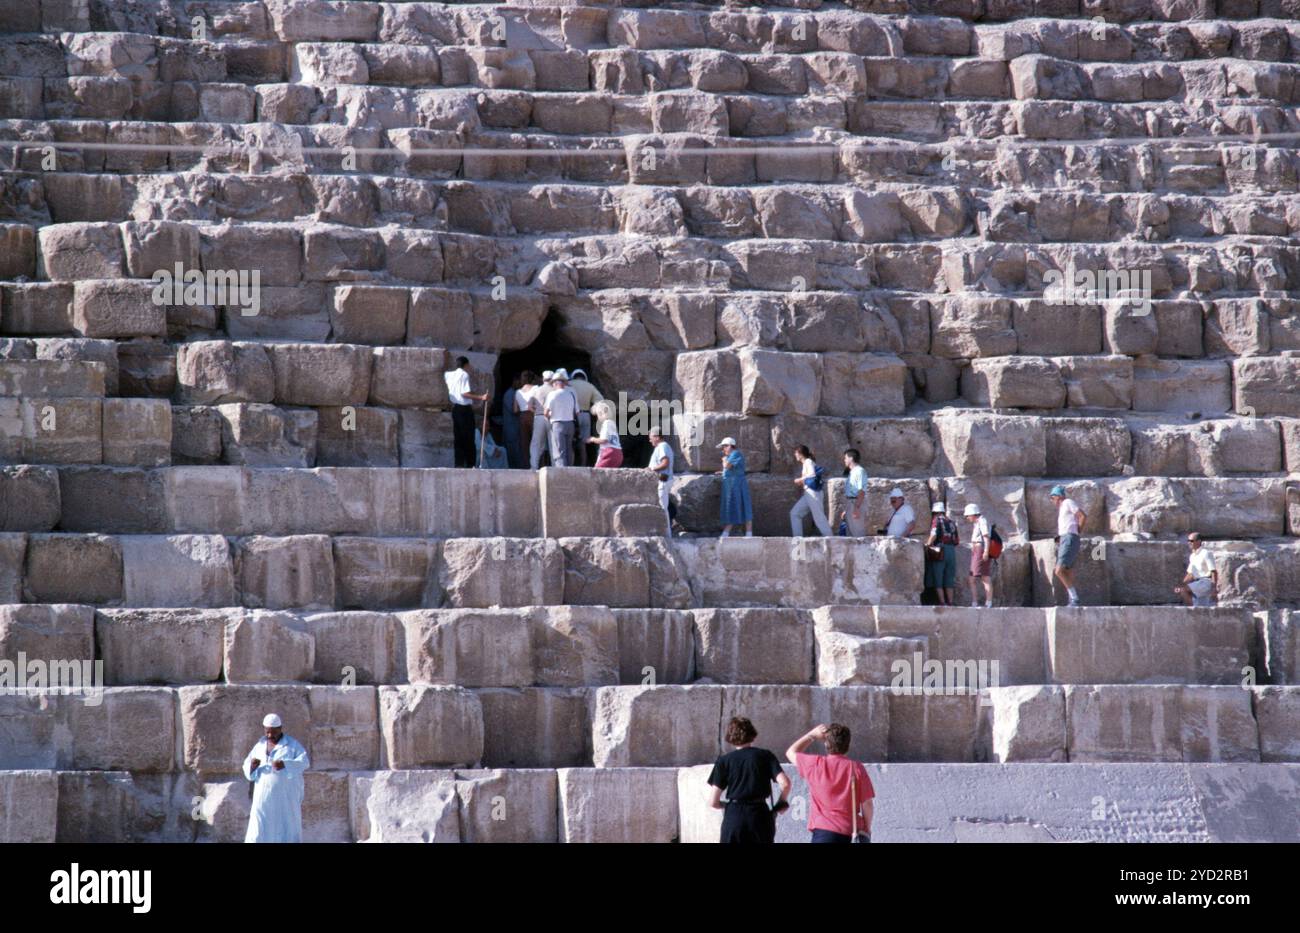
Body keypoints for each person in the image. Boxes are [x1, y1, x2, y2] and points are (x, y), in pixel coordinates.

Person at [707, 717, 792, 844]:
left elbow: (713, 802)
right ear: (752, 734)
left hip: (734, 817)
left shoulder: (724, 761)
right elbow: (785, 784)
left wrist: (728, 805)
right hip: (759, 815)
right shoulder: (765, 756)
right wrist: (781, 803)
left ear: (730, 737)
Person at [785, 723, 873, 844]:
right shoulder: (856, 768)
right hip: (851, 832)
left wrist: (812, 735)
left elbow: (790, 752)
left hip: (824, 832)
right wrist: (867, 828)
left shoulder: (815, 764)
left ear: (826, 744)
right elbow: (867, 803)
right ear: (848, 745)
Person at [242, 713, 309, 843]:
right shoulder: (259, 745)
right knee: (259, 827)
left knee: (287, 827)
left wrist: (285, 764)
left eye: (273, 732)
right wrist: (253, 766)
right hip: (263, 796)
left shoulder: (292, 745)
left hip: (285, 797)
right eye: (267, 732)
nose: (270, 735)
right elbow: (247, 768)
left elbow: (304, 762)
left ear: (280, 728)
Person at [444, 357, 489, 468]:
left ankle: (459, 464)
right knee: (469, 437)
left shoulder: (449, 375)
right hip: (464, 410)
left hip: (456, 409)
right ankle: (470, 464)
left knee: (458, 438)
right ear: (466, 365)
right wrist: (481, 397)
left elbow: (444, 371)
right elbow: (464, 394)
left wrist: (445, 358)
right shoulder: (464, 375)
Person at [1049, 484, 1086, 607]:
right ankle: (1073, 599)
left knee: (1058, 570)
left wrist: (1077, 531)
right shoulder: (1063, 508)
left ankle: (1074, 598)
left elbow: (1082, 516)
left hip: (1069, 538)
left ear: (1058, 496)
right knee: (1068, 570)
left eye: (1052, 498)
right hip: (1066, 538)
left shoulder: (1067, 502)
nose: (1051, 501)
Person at [790, 445, 833, 537]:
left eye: (796, 453)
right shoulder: (806, 463)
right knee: (795, 513)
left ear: (800, 454)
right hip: (808, 493)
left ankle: (832, 539)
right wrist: (802, 481)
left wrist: (800, 480)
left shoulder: (808, 462)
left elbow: (812, 475)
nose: (795, 455)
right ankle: (798, 539)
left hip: (813, 493)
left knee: (819, 518)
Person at [718, 436, 753, 538]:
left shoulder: (736, 454)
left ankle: (749, 533)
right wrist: (722, 472)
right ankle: (726, 533)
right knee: (731, 507)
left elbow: (727, 466)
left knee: (744, 506)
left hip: (738, 485)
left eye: (724, 446)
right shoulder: (731, 456)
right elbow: (730, 469)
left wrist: (724, 460)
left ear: (730, 446)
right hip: (731, 486)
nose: (723, 449)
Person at [925, 502, 960, 606]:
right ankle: (950, 602)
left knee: (938, 576)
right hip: (951, 551)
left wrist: (928, 544)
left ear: (935, 512)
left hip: (940, 551)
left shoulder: (937, 520)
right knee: (949, 577)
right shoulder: (952, 522)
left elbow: (934, 534)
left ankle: (942, 602)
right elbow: (957, 540)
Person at [569, 368, 604, 467]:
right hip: (586, 415)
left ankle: (570, 465)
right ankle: (583, 464)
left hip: (572, 415)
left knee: (570, 441)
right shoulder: (590, 386)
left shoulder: (569, 384)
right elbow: (600, 400)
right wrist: (594, 410)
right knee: (584, 442)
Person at [544, 369, 579, 467]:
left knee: (559, 450)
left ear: (555, 383)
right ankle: (570, 469)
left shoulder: (552, 394)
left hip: (558, 424)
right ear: (564, 383)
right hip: (570, 424)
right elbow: (577, 412)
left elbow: (546, 412)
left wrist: (549, 416)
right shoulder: (571, 394)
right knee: (569, 449)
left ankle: (562, 472)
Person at [1175, 532, 1218, 607]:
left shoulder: (1206, 553)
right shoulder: (1192, 556)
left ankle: (1193, 609)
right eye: (1188, 541)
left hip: (1205, 582)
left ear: (1199, 541)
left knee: (1184, 590)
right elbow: (1190, 574)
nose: (1189, 543)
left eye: (1191, 541)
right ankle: (1194, 607)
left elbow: (1213, 571)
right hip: (1197, 583)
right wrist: (1181, 584)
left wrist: (1213, 588)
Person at [964, 502, 994, 608]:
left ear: (973, 514)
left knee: (985, 577)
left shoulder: (982, 521)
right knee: (973, 578)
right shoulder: (977, 523)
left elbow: (986, 537)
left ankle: (988, 602)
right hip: (977, 549)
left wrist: (986, 551)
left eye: (968, 515)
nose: (967, 517)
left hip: (981, 549)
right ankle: (975, 602)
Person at [588, 399, 623, 468]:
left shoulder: (606, 423)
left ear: (601, 414)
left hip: (609, 453)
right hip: (618, 453)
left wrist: (592, 439)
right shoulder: (612, 423)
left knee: (597, 472)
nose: (598, 418)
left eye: (598, 415)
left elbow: (604, 440)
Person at [842, 449, 868, 537]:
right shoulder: (852, 472)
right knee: (849, 534)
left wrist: (856, 507)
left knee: (858, 534)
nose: (844, 460)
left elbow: (861, 491)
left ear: (851, 458)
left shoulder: (859, 471)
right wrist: (847, 509)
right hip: (851, 503)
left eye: (845, 458)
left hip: (856, 503)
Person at [502, 372, 524, 469]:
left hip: (516, 428)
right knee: (512, 453)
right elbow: (513, 410)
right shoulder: (509, 394)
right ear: (515, 381)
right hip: (510, 428)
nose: (520, 384)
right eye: (519, 382)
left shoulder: (516, 393)